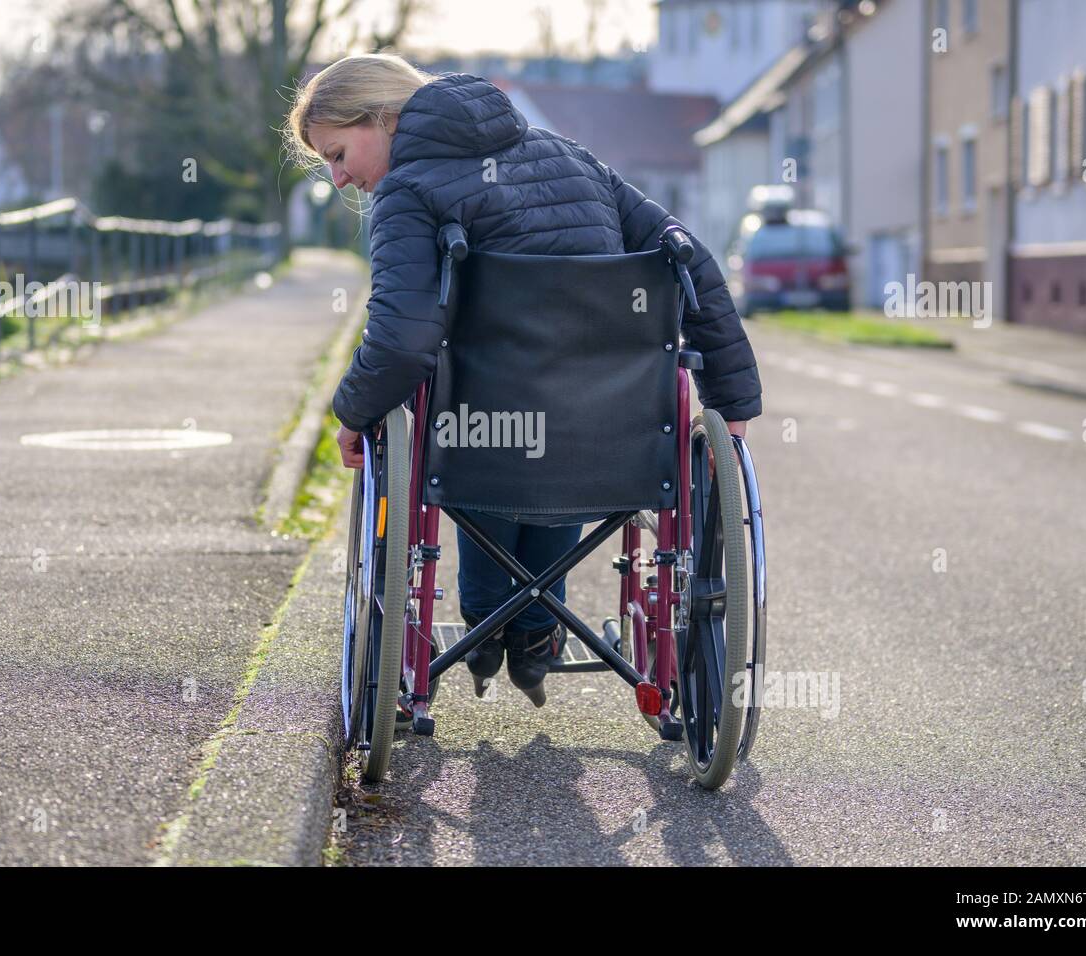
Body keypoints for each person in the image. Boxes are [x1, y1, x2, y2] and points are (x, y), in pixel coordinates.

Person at [284, 53, 762, 707]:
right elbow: (688, 257)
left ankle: (488, 630)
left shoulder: (409, 190)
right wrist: (730, 401)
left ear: (382, 118)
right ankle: (537, 633)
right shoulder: (573, 158)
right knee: (552, 427)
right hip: (612, 441)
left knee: (480, 415)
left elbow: (400, 340)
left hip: (482, 442)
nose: (340, 180)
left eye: (338, 154)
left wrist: (351, 413)